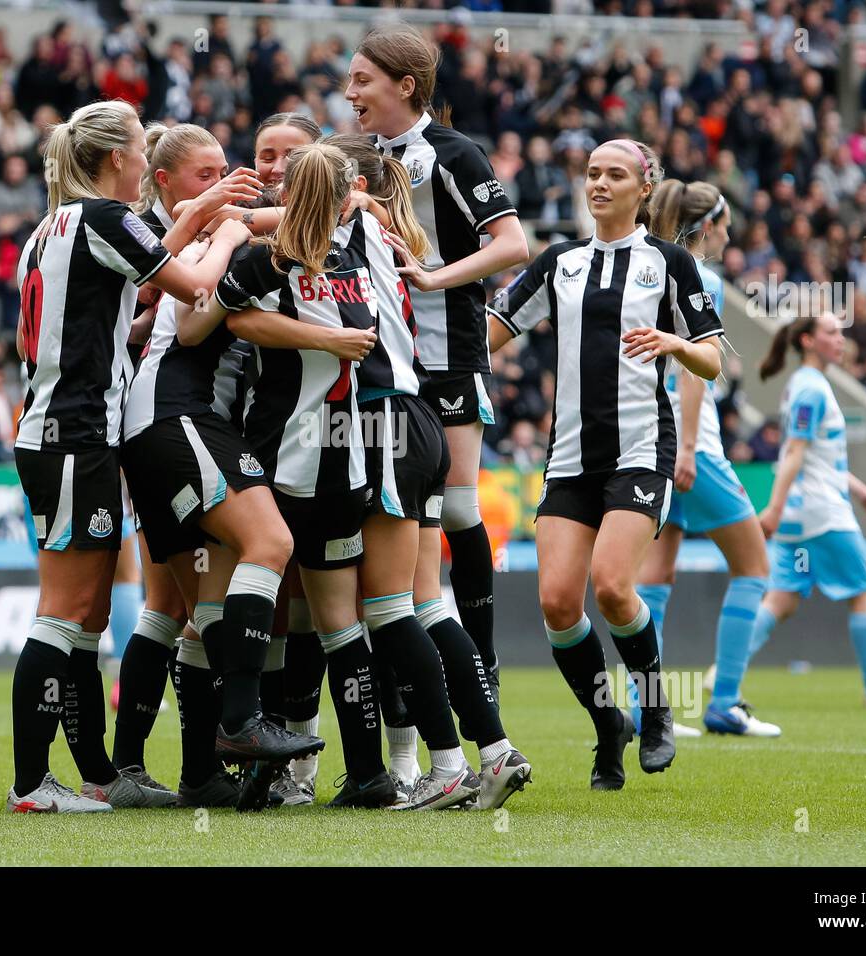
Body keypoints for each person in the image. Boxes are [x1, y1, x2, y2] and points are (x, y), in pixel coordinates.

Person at [7, 98, 258, 814]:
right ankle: (31, 784)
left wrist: (203, 209)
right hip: (75, 436)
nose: (148, 162)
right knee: (64, 612)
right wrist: (230, 228)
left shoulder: (51, 227)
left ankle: (96, 773)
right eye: (143, 149)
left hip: (57, 430)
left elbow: (129, 293)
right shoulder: (105, 219)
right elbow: (192, 284)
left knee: (83, 618)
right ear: (117, 157)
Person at [489, 139, 724, 791]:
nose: (598, 183)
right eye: (592, 173)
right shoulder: (559, 262)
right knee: (559, 604)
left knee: (614, 587)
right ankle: (606, 729)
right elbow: (493, 330)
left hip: (641, 451)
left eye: (614, 174)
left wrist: (676, 340)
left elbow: (712, 359)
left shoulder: (670, 263)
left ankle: (654, 708)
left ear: (644, 187)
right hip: (569, 459)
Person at [326, 132, 533, 809]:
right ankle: (480, 753)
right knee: (418, 599)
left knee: (391, 605)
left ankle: (440, 762)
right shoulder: (387, 233)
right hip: (413, 418)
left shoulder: (349, 233)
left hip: (386, 422)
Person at [194, 143, 402, 807]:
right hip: (346, 458)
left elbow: (218, 319)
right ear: (346, 196)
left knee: (262, 609)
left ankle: (248, 754)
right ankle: (368, 771)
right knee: (338, 622)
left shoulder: (268, 258)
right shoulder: (355, 263)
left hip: (278, 457)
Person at [348, 27, 530, 702]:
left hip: (449, 360)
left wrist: (435, 277)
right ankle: (406, 679)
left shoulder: (452, 154)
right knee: (395, 516)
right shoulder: (357, 160)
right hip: (380, 367)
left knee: (454, 512)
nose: (350, 92)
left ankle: (481, 661)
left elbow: (512, 244)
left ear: (405, 85)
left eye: (362, 80)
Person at [107, 122, 264, 799]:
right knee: (264, 547)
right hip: (174, 419)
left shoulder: (204, 231)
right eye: (207, 173)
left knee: (173, 607)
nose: (225, 181)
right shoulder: (193, 237)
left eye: (228, 167)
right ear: (163, 183)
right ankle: (239, 729)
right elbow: (200, 309)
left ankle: (169, 770)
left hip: (166, 423)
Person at [635, 179, 780, 738]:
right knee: (755, 567)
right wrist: (691, 447)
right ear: (709, 225)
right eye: (725, 224)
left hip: (650, 439)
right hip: (691, 445)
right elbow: (699, 369)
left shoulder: (650, 267)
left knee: (656, 578)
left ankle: (643, 708)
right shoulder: (704, 278)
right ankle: (725, 701)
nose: (728, 234)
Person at [754, 312, 866, 710]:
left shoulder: (802, 386)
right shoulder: (812, 390)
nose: (841, 339)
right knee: (864, 589)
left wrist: (863, 490)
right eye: (832, 332)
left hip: (802, 514)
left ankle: (724, 672)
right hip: (822, 513)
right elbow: (796, 453)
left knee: (781, 599)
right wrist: (773, 508)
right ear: (808, 342)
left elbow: (816, 457)